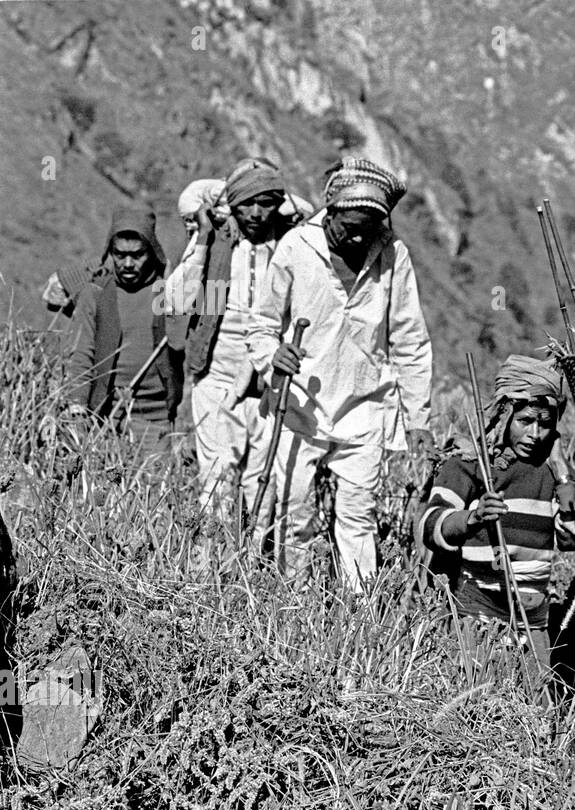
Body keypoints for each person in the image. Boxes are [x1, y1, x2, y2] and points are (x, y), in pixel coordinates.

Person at [247, 157, 434, 592]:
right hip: (299, 406)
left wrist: (418, 417)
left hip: (365, 407)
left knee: (358, 519)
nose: (356, 235)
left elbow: (409, 341)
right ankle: (294, 600)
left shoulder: (392, 255)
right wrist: (273, 356)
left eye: (367, 228)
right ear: (328, 212)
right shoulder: (295, 248)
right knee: (294, 514)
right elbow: (261, 324)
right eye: (347, 224)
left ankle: (360, 612)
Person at [414, 356, 575, 676]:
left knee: (535, 718)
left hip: (533, 630)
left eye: (545, 424)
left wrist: (562, 471)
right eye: (526, 420)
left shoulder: (550, 473)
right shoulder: (469, 463)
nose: (535, 433)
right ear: (503, 414)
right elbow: (430, 524)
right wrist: (471, 518)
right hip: (475, 624)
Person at [165, 161, 303, 532]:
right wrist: (203, 237)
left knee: (264, 476)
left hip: (268, 383)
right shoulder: (216, 243)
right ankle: (214, 566)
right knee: (216, 476)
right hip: (214, 375)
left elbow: (302, 207)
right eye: (246, 204)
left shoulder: (291, 245)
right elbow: (177, 300)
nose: (256, 214)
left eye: (267, 203)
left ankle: (252, 563)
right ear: (232, 205)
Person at [66, 207, 183, 452]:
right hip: (105, 416)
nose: (127, 264)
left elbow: (214, 303)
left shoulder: (169, 291)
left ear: (152, 251)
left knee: (152, 488)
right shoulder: (95, 294)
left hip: (155, 419)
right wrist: (77, 407)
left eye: (137, 255)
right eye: (119, 255)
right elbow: (81, 354)